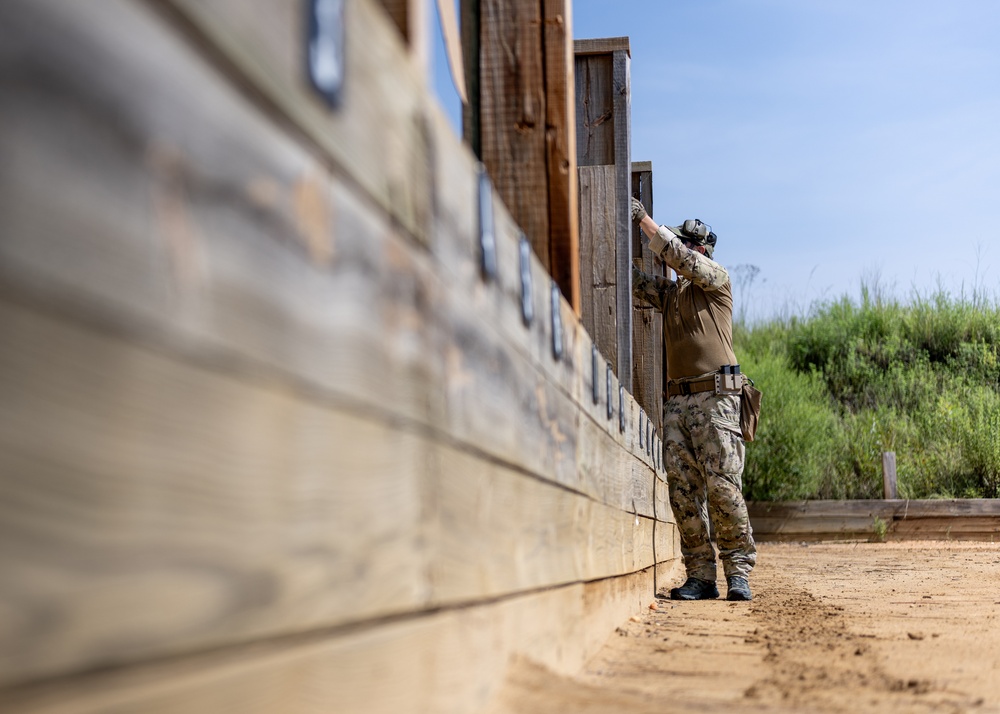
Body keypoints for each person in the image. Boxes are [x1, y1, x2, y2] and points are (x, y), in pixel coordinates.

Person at [630, 197, 756, 601]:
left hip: (716, 399)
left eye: (686, 245)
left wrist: (643, 220)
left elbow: (680, 258)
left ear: (699, 250)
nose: (679, 252)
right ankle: (700, 575)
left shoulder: (715, 279)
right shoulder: (672, 295)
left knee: (723, 489)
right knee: (684, 493)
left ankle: (738, 571)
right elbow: (629, 278)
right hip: (680, 402)